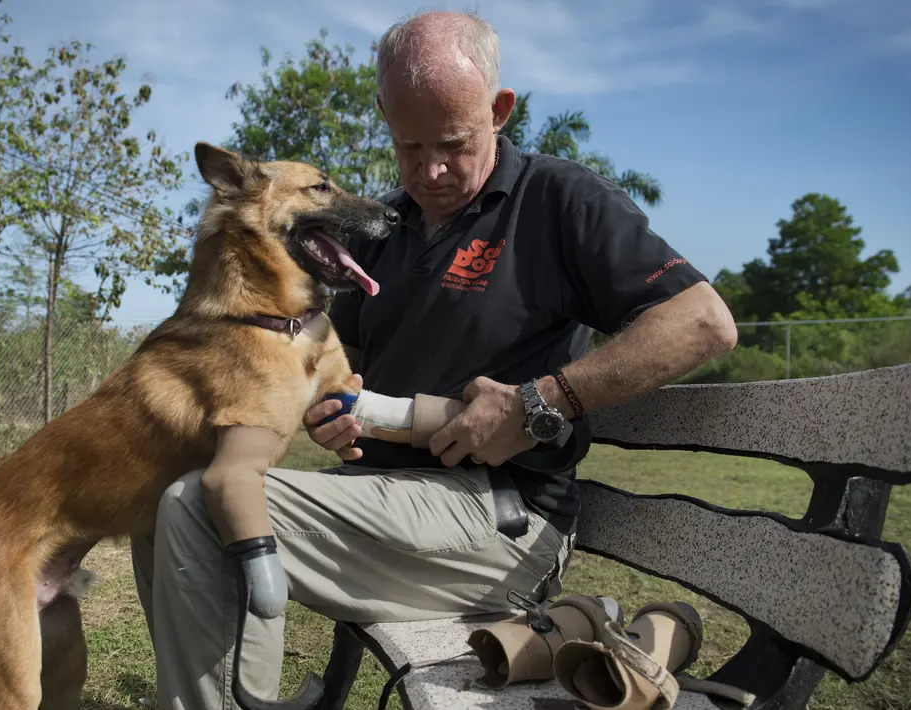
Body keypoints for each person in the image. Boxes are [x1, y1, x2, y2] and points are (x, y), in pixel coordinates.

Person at [130, 9, 737, 710]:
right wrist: (332, 408)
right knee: (174, 502)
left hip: (497, 521)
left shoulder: (558, 200)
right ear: (384, 113)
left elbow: (702, 322)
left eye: (452, 143)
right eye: (407, 145)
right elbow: (338, 367)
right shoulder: (387, 224)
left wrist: (540, 401)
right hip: (388, 507)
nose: (429, 170)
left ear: (499, 109)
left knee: (201, 509)